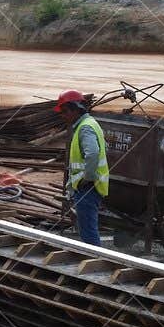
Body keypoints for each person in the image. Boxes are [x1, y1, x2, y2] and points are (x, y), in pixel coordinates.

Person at [56, 89, 108, 247]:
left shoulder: (85, 128)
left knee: (88, 231)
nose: (63, 116)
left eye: (65, 112)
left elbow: (92, 153)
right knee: (87, 228)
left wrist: (87, 178)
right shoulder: (90, 123)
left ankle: (96, 261)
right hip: (90, 186)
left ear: (75, 109)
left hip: (88, 187)